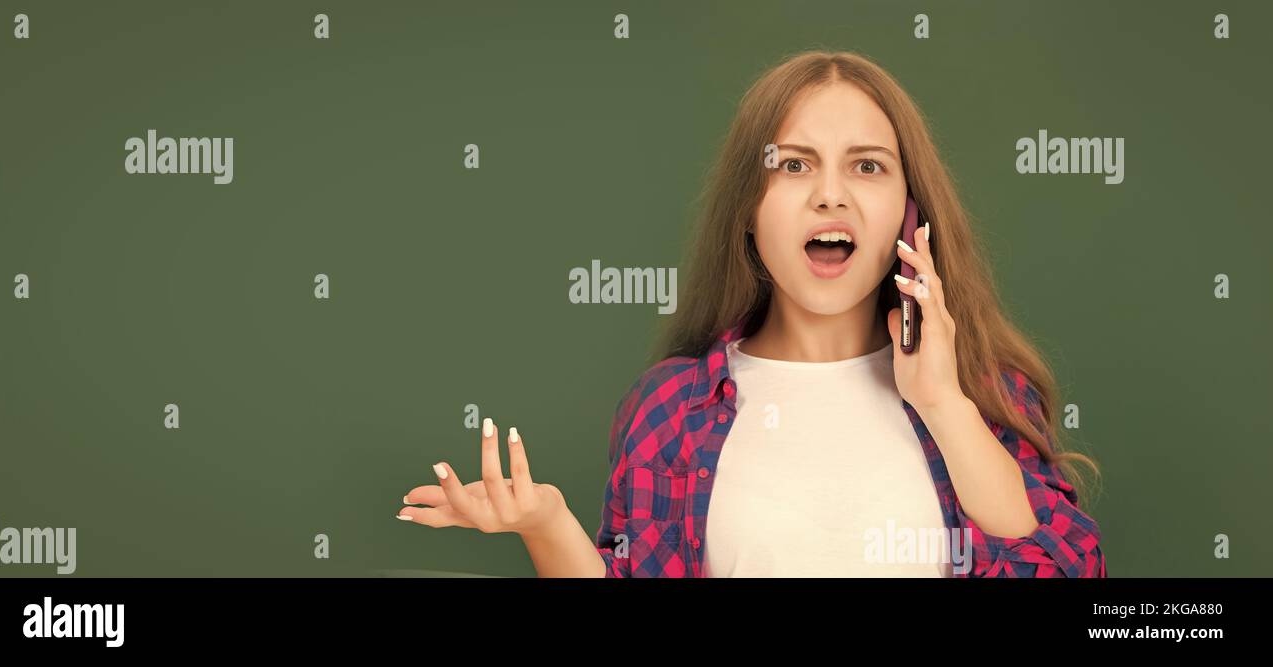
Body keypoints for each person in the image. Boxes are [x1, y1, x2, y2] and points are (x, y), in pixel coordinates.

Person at [396, 50, 1107, 578]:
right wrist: (547, 523)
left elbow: (1072, 568)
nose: (830, 195)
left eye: (867, 166)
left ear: (911, 214)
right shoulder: (670, 409)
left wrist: (945, 403)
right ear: (748, 211)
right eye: (794, 165)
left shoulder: (981, 391)